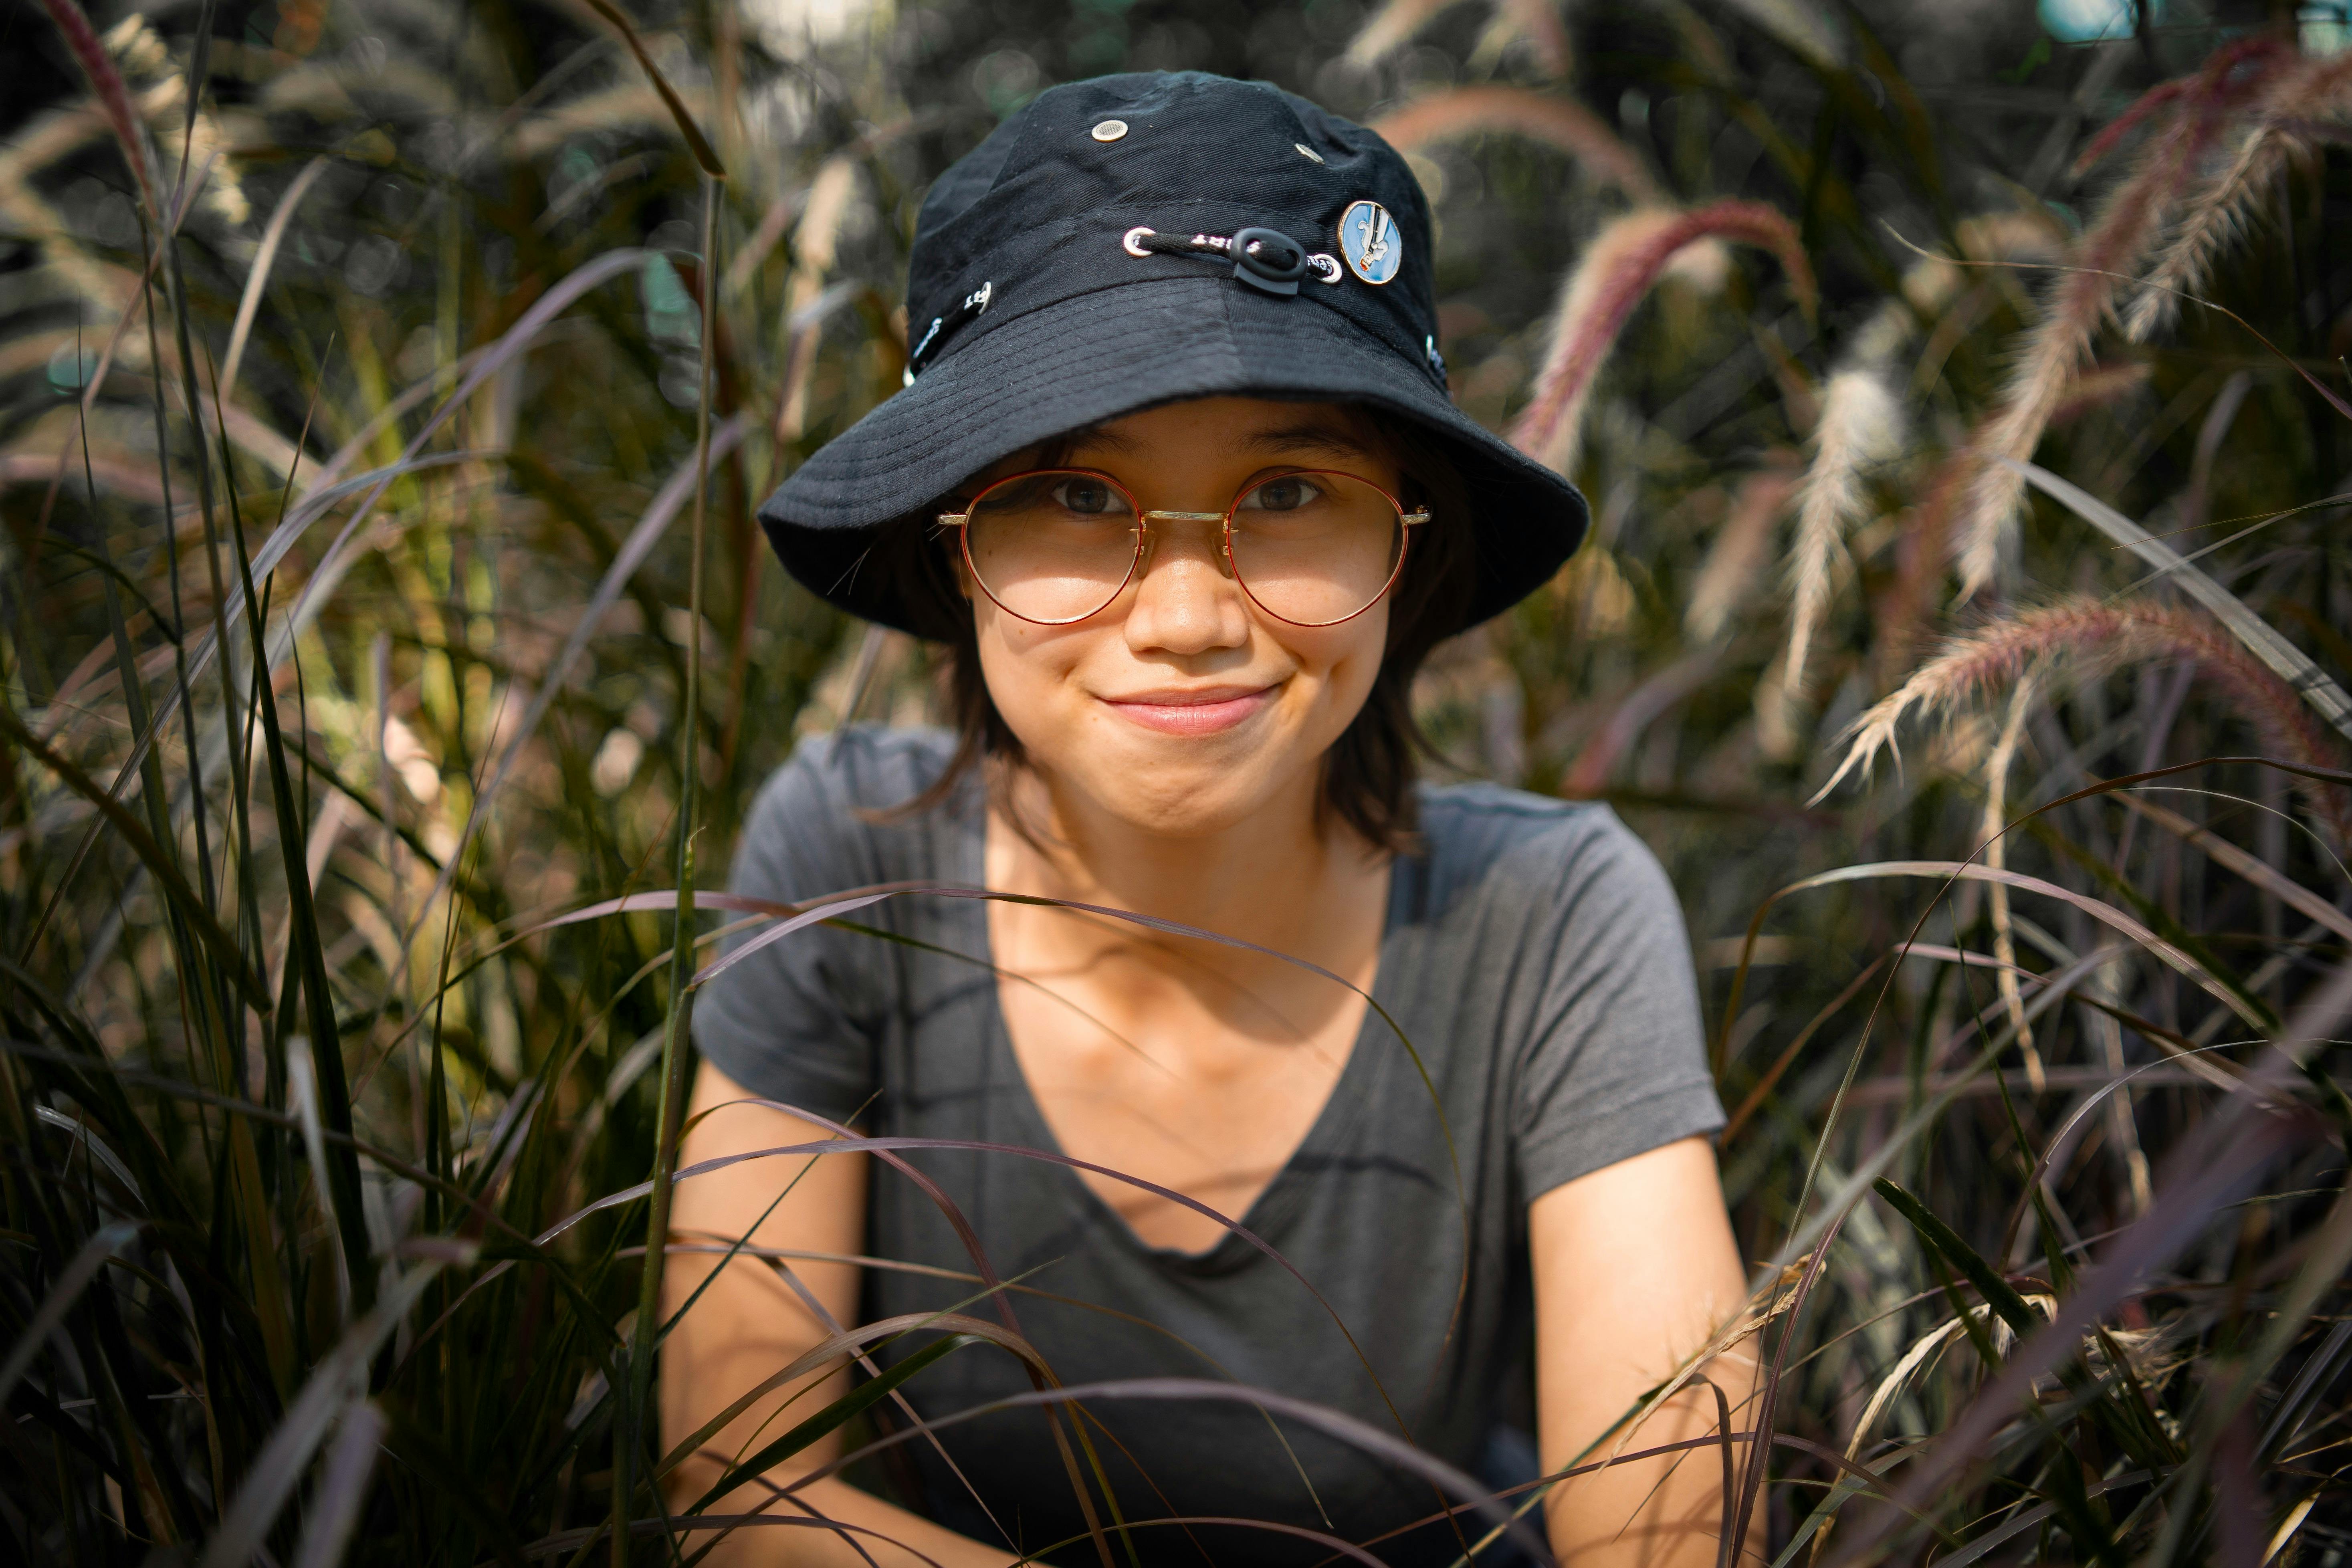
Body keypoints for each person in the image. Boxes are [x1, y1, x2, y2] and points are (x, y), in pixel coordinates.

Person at [663, 70, 1758, 1568]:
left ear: (1411, 538)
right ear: (953, 545)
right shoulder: (848, 858)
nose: (1187, 618)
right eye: (1074, 493)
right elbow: (736, 1487)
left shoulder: (1553, 914)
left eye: (1292, 488)